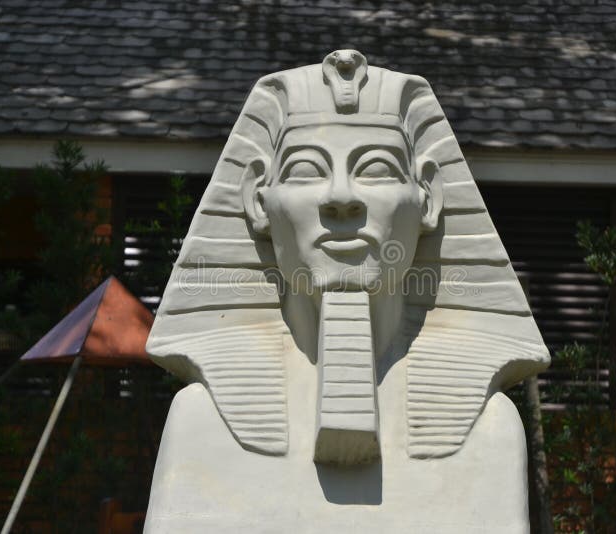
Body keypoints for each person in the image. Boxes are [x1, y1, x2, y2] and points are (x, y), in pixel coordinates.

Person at [144, 50, 549, 533]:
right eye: (306, 169)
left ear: (428, 198)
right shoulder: (203, 425)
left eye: (376, 169)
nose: (341, 198)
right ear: (256, 200)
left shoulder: (488, 431)